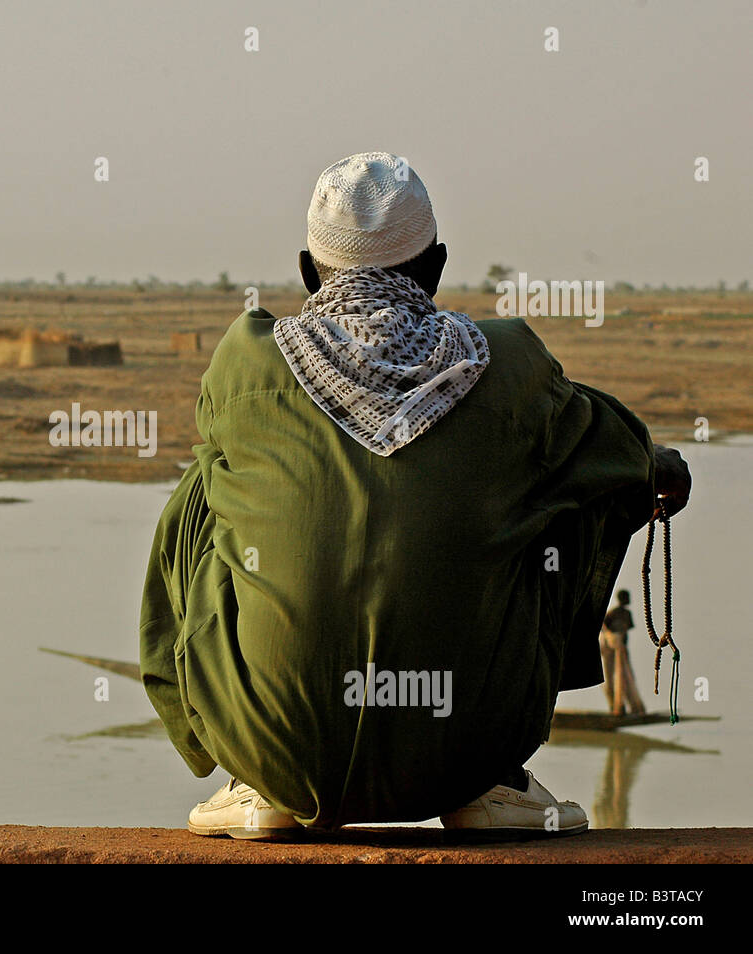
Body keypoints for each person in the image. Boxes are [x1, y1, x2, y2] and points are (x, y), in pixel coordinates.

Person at [139, 152, 692, 840]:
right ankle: (494, 783)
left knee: (202, 495)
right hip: (467, 748)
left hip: (275, 746)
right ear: (435, 268)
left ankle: (255, 778)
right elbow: (629, 462)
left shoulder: (249, 361)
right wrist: (655, 468)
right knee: (569, 481)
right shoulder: (510, 365)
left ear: (308, 271)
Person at [600, 589, 647, 715]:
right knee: (610, 678)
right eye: (627, 597)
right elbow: (604, 627)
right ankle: (614, 706)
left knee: (626, 677)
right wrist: (613, 639)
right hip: (610, 651)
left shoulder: (627, 614)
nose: (629, 600)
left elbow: (627, 630)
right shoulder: (613, 613)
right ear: (622, 599)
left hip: (622, 651)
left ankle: (628, 707)